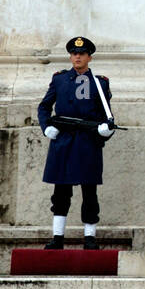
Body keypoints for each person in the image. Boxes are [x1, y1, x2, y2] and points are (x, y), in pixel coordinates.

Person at [37, 36, 115, 250]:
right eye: (74, 53)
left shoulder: (100, 82)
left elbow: (106, 115)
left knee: (89, 190)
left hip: (88, 141)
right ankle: (58, 236)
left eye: (81, 54)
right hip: (63, 141)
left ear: (89, 57)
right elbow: (44, 107)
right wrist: (47, 128)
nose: (77, 57)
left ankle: (89, 237)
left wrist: (104, 130)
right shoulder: (59, 79)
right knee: (61, 191)